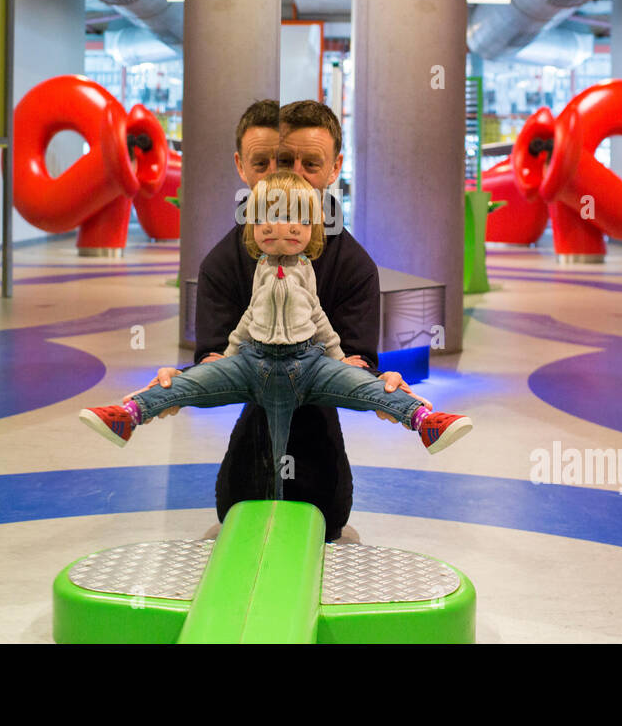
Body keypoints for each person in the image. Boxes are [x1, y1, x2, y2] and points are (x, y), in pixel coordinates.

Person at [79, 171, 471, 492]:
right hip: (253, 362)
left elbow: (318, 318)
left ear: (312, 229)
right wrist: (223, 361)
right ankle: (129, 414)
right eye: (267, 217)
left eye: (294, 219)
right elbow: (249, 318)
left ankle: (423, 420)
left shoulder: (311, 270)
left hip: (308, 363)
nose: (279, 228)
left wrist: (344, 364)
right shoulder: (258, 268)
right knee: (181, 385)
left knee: (374, 390)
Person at [142, 100, 424, 541]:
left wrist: (378, 389)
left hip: (318, 430)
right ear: (244, 168)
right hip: (255, 419)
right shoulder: (222, 263)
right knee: (234, 506)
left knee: (328, 516)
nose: (287, 177)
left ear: (335, 169)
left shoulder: (354, 266)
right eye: (272, 163)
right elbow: (216, 352)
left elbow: (354, 358)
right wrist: (183, 384)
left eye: (309, 164)